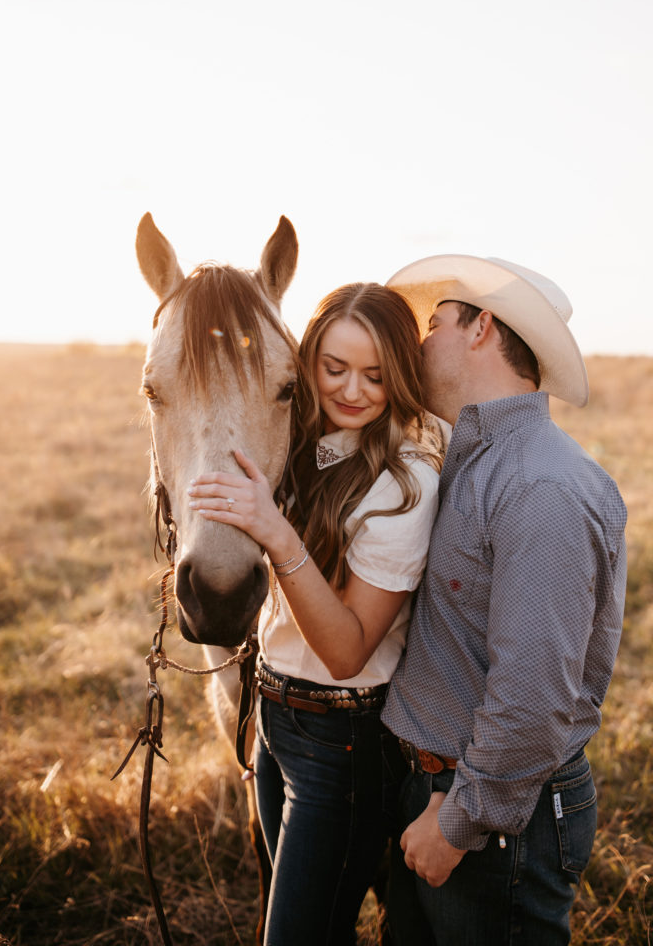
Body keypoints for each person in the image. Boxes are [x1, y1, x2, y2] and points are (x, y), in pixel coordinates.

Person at [187, 282, 447, 946]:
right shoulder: (317, 447)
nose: (352, 391)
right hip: (275, 723)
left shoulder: (406, 484)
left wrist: (278, 535)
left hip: (344, 743)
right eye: (333, 369)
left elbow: (345, 651)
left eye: (376, 375)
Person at [380, 255, 628, 946]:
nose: (420, 341)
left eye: (435, 323)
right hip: (441, 792)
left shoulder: (539, 487)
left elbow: (534, 694)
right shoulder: (470, 459)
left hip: (493, 823)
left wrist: (458, 825)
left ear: (482, 327)